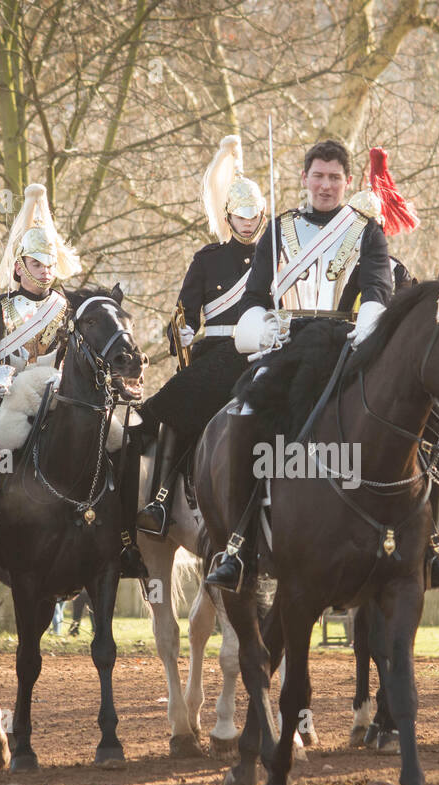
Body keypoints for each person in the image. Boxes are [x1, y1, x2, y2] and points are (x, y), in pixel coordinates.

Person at [206, 140, 418, 593]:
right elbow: (255, 296)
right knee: (243, 414)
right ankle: (239, 544)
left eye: (335, 178)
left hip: (344, 347)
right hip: (285, 347)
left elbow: (379, 290)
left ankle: (431, 544)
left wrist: (367, 330)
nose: (326, 185)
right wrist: (257, 325)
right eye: (318, 176)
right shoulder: (278, 231)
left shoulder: (365, 232)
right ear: (304, 178)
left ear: (346, 182)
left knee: (411, 412)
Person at [0, 184, 147, 593]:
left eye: (50, 264)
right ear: (19, 265)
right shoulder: (2, 308)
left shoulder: (66, 308)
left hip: (60, 396)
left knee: (119, 443)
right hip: (12, 399)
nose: (45, 270)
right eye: (36, 263)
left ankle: (124, 540)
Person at [136, 136, 267, 538]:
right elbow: (182, 314)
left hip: (262, 353)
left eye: (254, 216)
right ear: (229, 217)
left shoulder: (276, 258)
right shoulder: (207, 260)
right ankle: (159, 499)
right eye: (241, 217)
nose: (248, 223)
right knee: (178, 398)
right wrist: (186, 331)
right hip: (217, 352)